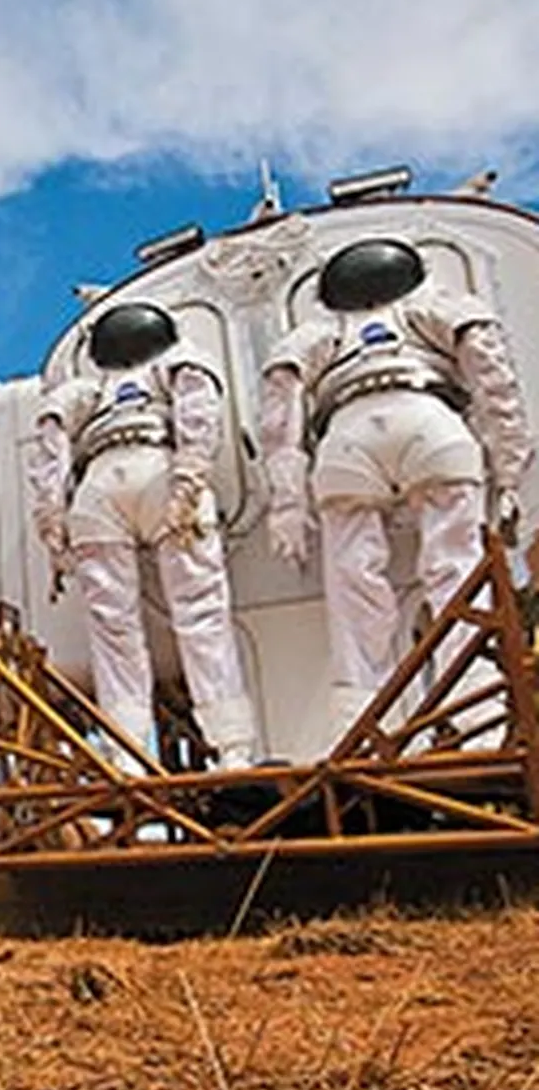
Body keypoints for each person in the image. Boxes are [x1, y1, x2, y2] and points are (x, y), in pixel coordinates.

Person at [259, 236, 532, 747]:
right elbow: (492, 377)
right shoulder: (439, 306)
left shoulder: (314, 335)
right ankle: (477, 719)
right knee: (455, 572)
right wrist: (510, 469)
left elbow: (280, 414)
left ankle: (364, 725)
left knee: (353, 585)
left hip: (347, 439)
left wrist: (287, 502)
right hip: (432, 422)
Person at [30, 301, 258, 772]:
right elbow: (199, 416)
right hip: (159, 468)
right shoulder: (178, 364)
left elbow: (50, 448)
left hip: (99, 488)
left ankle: (127, 755)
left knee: (114, 633)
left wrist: (53, 523)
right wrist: (190, 480)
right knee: (201, 615)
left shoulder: (82, 391)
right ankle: (232, 746)